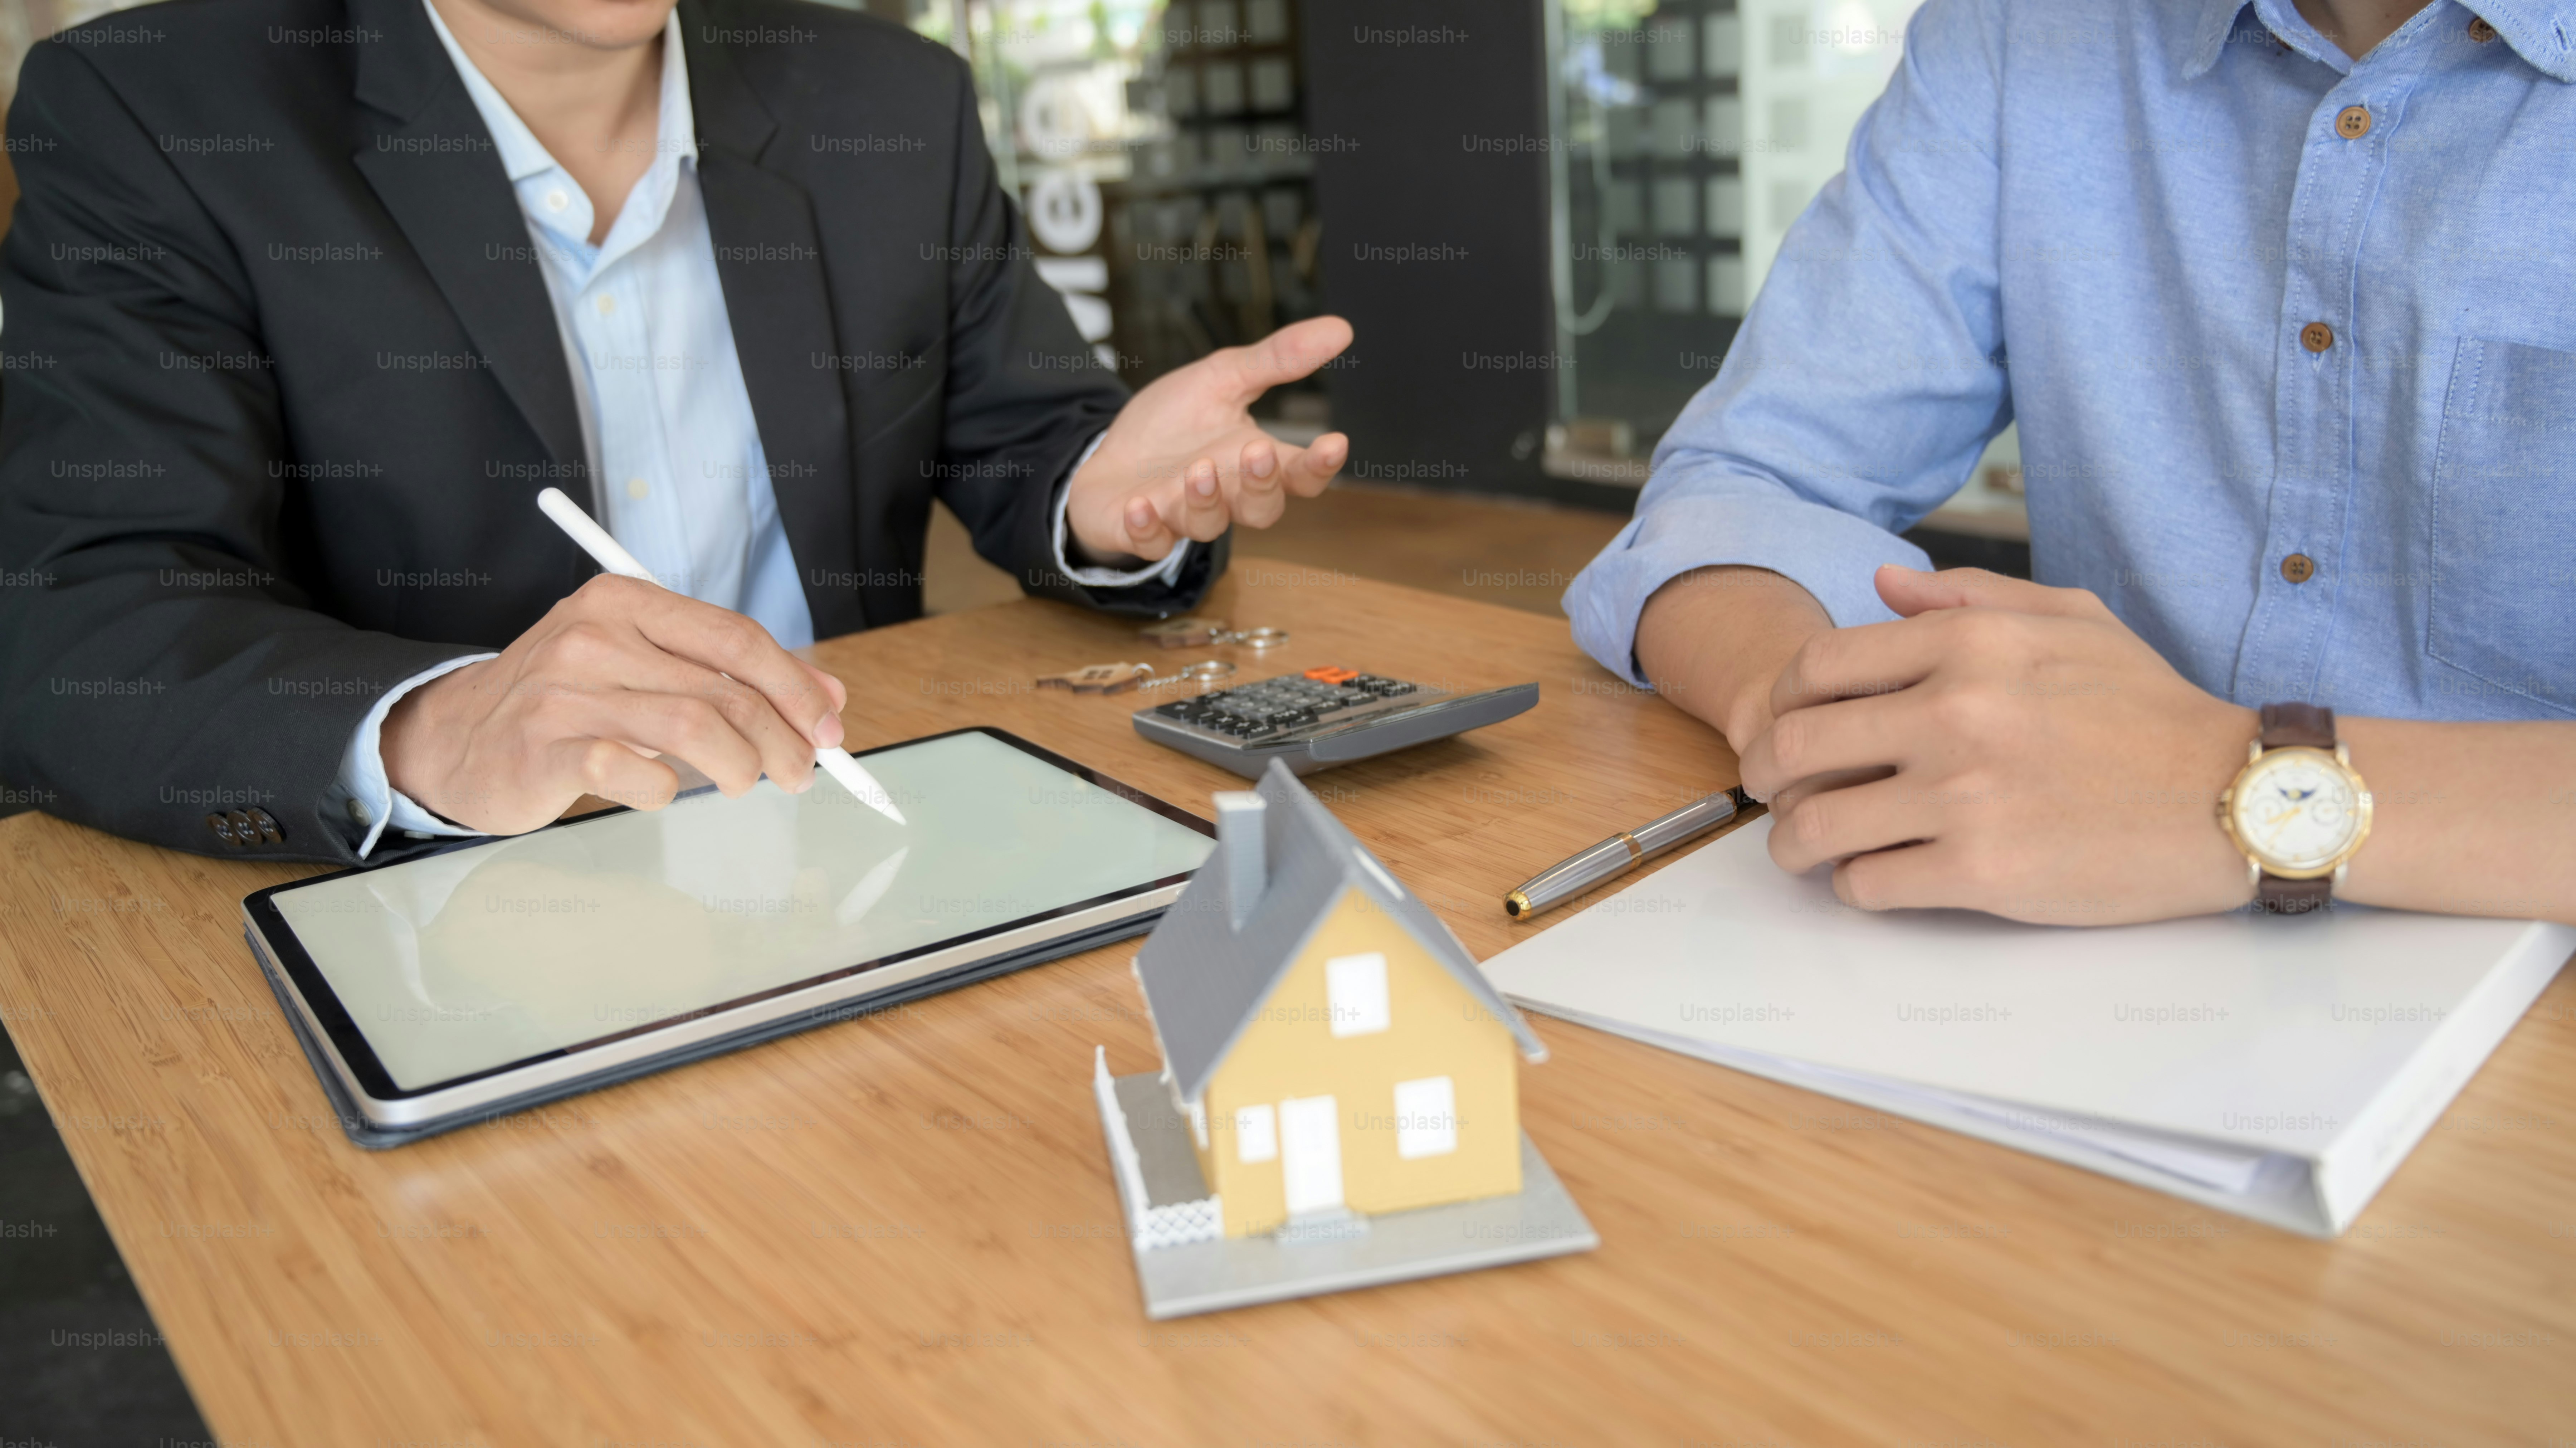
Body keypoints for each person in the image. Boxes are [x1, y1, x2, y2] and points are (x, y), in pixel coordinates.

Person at [0, 0, 1349, 862]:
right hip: (456, 908)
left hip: (861, 845)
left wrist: (1098, 499)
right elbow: (88, 617)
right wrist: (430, 734)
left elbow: (1031, 436)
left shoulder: (891, 101)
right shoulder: (156, 112)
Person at [1567, 0, 2576, 925]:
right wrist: (1810, 731)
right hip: (2064, 960)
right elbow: (1747, 484)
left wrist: (2225, 788)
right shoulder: (2020, 30)